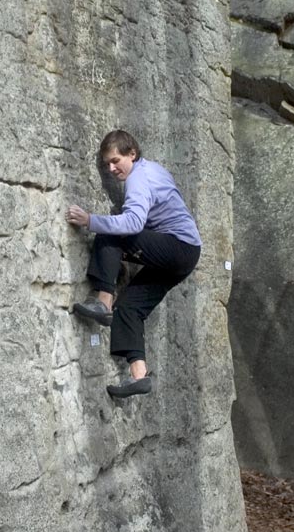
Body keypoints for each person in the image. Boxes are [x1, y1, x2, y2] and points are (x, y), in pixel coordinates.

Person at [65, 130, 201, 398]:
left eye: (115, 160)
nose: (111, 168)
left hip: (178, 246)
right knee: (130, 307)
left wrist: (90, 220)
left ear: (132, 154)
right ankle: (139, 375)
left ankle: (103, 302)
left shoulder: (139, 177)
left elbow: (133, 223)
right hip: (186, 254)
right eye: (106, 164)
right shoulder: (155, 170)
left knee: (111, 229)